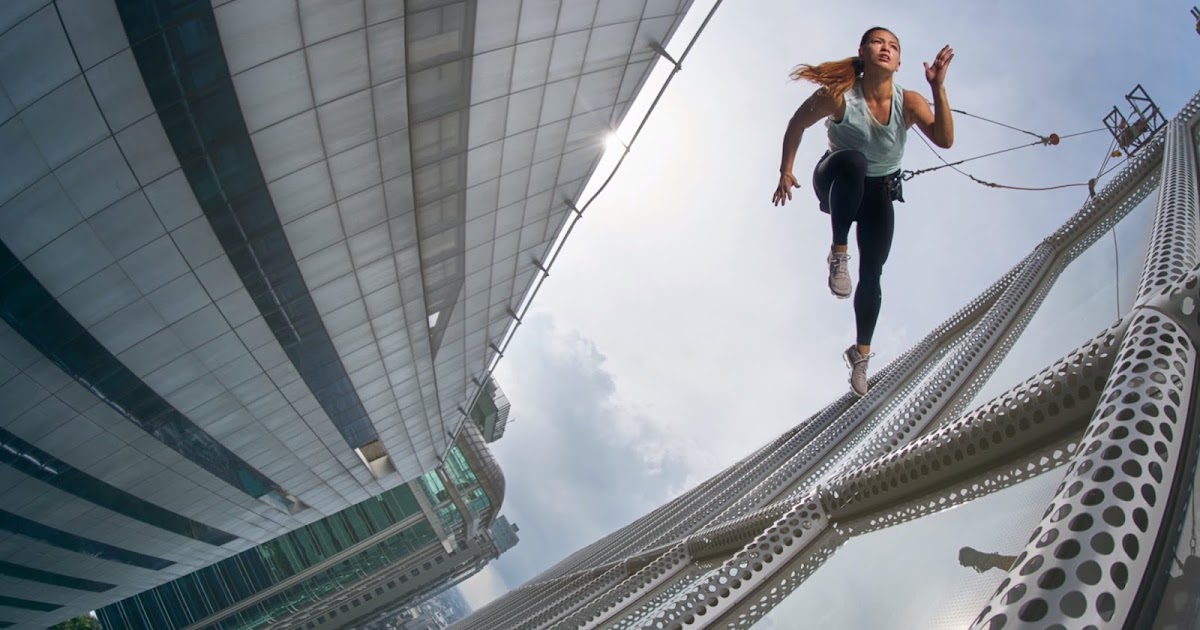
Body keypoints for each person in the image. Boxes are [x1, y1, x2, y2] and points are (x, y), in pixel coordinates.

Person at [772, 27, 955, 396]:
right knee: (855, 161)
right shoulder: (839, 96)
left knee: (873, 273)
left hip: (878, 193)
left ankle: (861, 354)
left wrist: (937, 88)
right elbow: (797, 123)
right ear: (862, 50)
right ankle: (838, 253)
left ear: (900, 62)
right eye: (878, 42)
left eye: (893, 47)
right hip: (836, 180)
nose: (885, 49)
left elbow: (945, 140)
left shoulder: (911, 101)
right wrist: (785, 170)